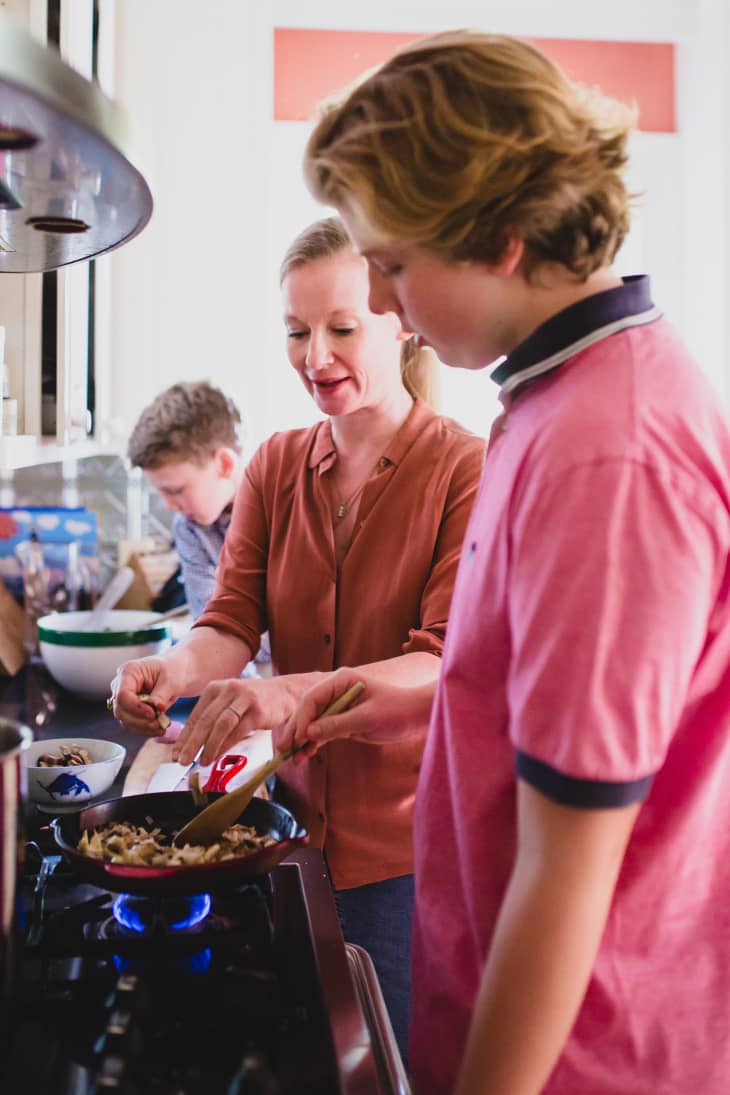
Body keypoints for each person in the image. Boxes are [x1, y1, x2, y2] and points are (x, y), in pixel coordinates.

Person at [276, 31, 730, 1095]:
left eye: (392, 265)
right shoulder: (549, 401)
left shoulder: (606, 452)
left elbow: (570, 867)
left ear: (504, 240)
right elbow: (518, 695)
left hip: (580, 1054)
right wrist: (361, 703)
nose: (385, 305)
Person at [110, 215, 486, 1058]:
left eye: (342, 327)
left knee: (386, 1061)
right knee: (298, 1057)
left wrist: (282, 692)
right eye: (296, 330)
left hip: (407, 853)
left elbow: (441, 660)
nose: (315, 355)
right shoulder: (277, 465)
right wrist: (168, 672)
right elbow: (229, 625)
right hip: (279, 826)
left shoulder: (466, 467)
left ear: (402, 320)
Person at [128, 380, 246, 621]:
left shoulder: (288, 513)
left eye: (176, 490)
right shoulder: (190, 529)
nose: (170, 505)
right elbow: (207, 621)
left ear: (224, 464)